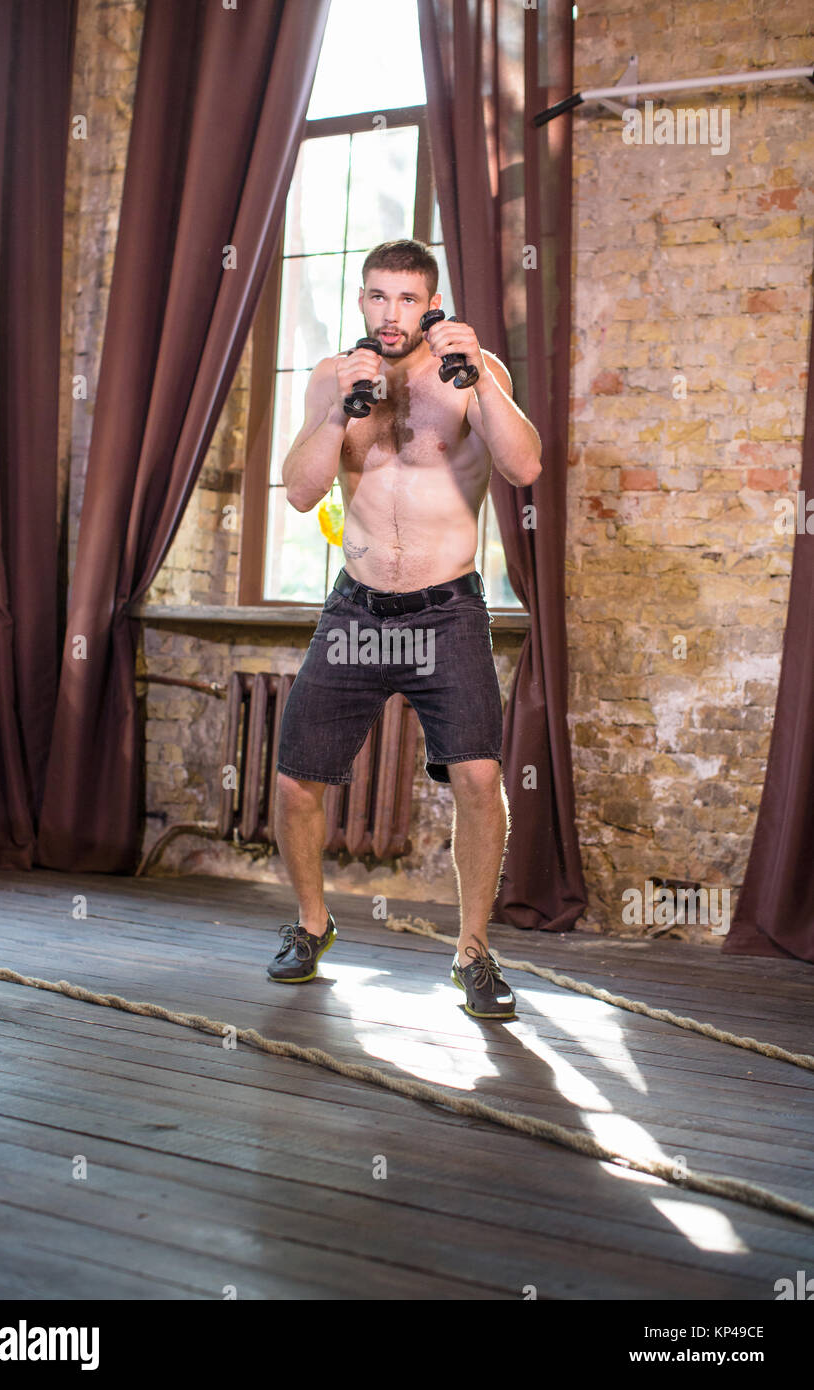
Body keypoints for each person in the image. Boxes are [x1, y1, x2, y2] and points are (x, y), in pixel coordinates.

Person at [268, 239, 541, 1019]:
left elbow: (525, 469)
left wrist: (483, 376)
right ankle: (311, 926)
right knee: (295, 781)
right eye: (378, 298)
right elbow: (299, 491)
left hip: (445, 611)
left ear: (433, 304)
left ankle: (474, 952)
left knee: (480, 779)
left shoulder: (470, 376)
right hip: (357, 608)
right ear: (362, 302)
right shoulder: (334, 375)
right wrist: (335, 412)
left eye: (408, 300)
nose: (392, 315)